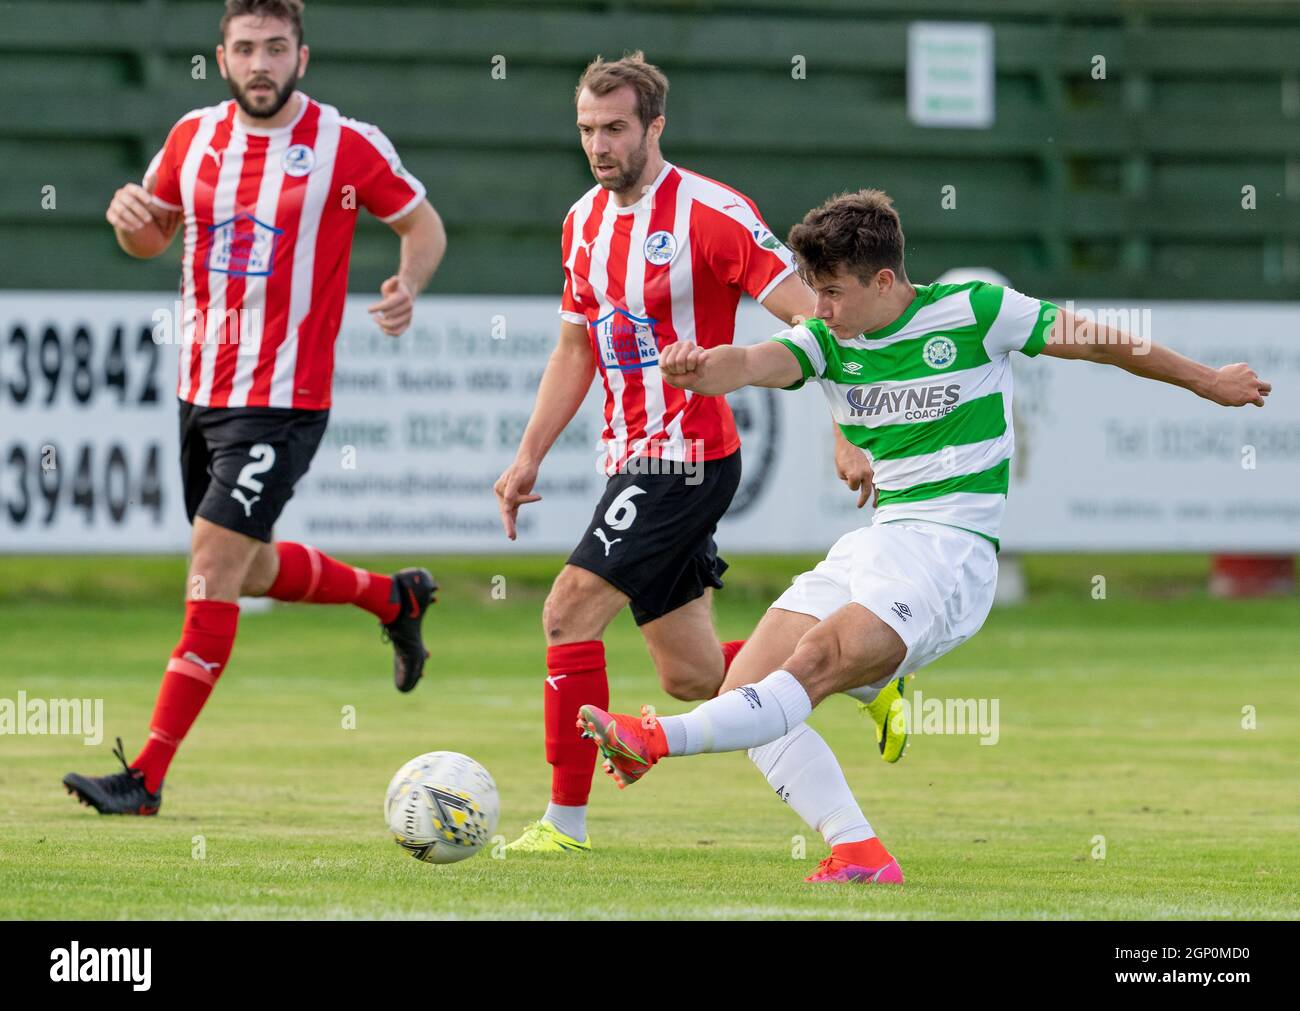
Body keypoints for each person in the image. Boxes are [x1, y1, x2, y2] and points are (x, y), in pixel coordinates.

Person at [576, 187, 1271, 883]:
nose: (817, 308)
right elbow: (754, 363)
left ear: (884, 281)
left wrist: (1208, 380)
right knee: (746, 685)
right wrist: (702, 369)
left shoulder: (975, 312)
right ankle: (857, 848)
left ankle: (654, 738)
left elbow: (1099, 341)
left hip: (949, 552)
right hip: (876, 543)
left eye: (832, 292)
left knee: (813, 661)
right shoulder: (825, 340)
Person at [63, 0, 447, 816]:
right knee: (249, 567)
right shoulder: (192, 138)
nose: (261, 63)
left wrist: (408, 282)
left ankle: (148, 778)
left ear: (302, 57)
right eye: (246, 48)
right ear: (223, 57)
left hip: (283, 400)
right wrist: (130, 221)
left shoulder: (344, 143)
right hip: (199, 392)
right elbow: (151, 239)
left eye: (277, 47)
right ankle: (393, 597)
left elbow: (422, 224)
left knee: (209, 573)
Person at [492, 52, 874, 853]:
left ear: (655, 125)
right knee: (694, 677)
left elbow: (821, 321)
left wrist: (846, 430)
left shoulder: (713, 214)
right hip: (627, 456)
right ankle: (863, 672)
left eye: (617, 128)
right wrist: (529, 455)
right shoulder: (582, 223)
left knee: (566, 611)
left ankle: (564, 826)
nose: (600, 145)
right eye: (588, 129)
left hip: (686, 456)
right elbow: (575, 350)